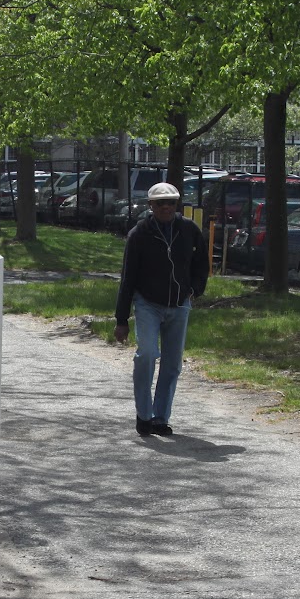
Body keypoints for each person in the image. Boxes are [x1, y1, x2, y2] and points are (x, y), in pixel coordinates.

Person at [114, 181, 208, 437]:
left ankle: (160, 417)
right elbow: (127, 277)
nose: (166, 207)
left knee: (172, 364)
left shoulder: (188, 229)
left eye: (171, 202)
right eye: (160, 203)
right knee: (146, 354)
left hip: (179, 305)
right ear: (151, 206)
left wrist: (195, 289)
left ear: (177, 205)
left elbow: (201, 263)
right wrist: (121, 319)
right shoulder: (139, 234)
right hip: (148, 303)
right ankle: (143, 415)